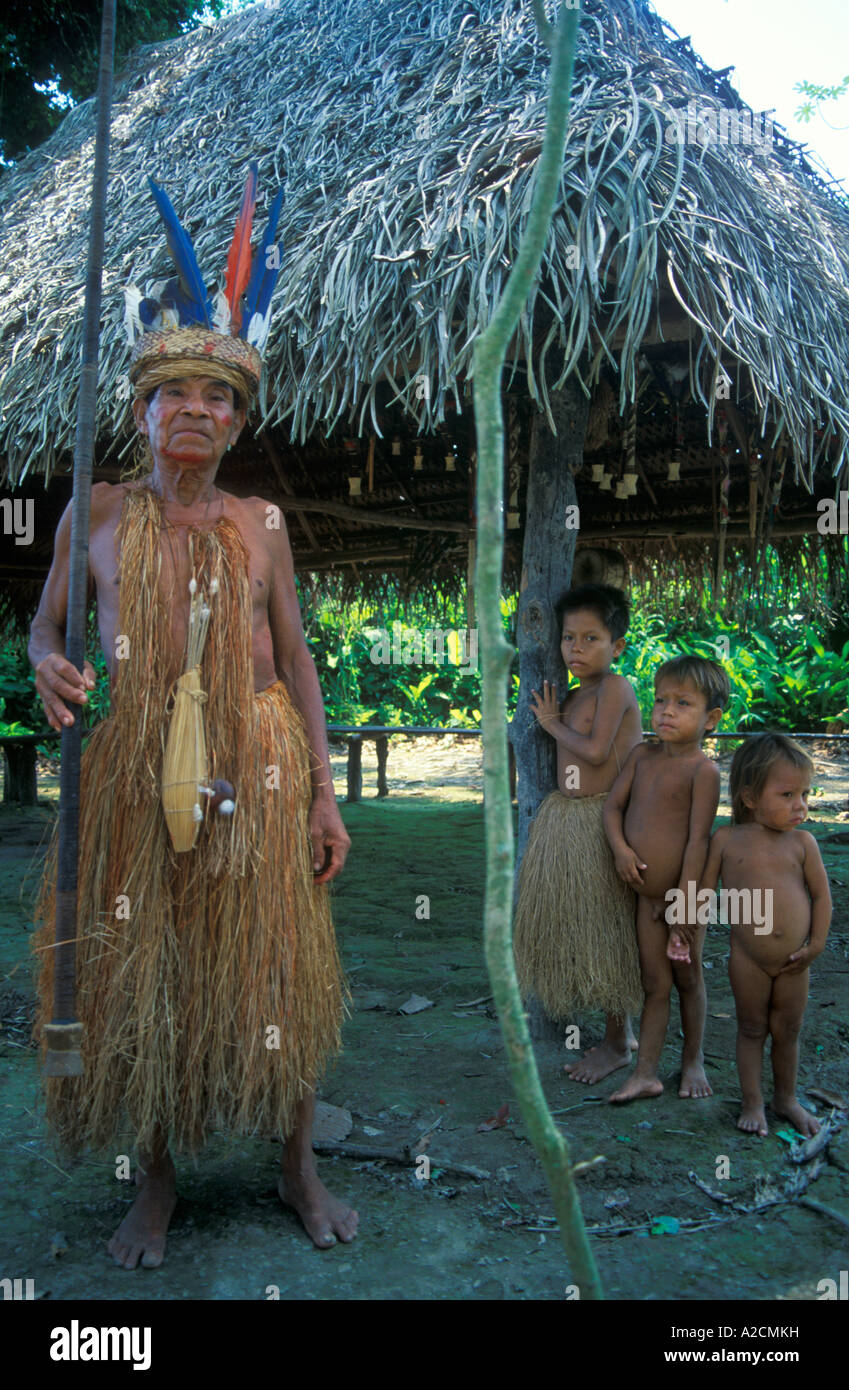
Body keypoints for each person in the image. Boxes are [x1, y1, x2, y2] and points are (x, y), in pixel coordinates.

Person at [29, 172, 356, 1269]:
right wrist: (46, 669)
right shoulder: (102, 512)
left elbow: (297, 657)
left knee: (277, 977)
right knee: (150, 974)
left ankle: (297, 1165)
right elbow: (45, 631)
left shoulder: (261, 521)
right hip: (137, 771)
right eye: (176, 394)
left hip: (257, 764)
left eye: (219, 398)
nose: (198, 411)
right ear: (141, 410)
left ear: (238, 418)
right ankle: (158, 1186)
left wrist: (320, 786)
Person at [513, 583, 644, 1083]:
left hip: (604, 818)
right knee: (584, 929)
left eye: (592, 639)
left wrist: (550, 722)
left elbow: (593, 751)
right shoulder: (570, 692)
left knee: (610, 931)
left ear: (618, 646)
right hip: (566, 819)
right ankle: (616, 1032)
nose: (576, 649)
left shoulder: (616, 688)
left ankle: (617, 1041)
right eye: (569, 638)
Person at [604, 655, 729, 1103]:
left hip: (684, 900)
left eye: (682, 703)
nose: (666, 711)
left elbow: (698, 843)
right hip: (645, 901)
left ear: (711, 719)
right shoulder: (642, 755)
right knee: (655, 985)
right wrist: (620, 849)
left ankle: (692, 1060)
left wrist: (687, 906)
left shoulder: (703, 771)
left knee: (689, 979)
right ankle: (646, 1074)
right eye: (660, 700)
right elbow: (612, 808)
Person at [699, 733, 831, 1137]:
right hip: (748, 958)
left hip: (796, 960)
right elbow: (704, 894)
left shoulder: (803, 844)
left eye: (805, 794)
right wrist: (680, 927)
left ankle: (785, 1098)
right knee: (752, 1029)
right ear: (751, 797)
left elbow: (822, 896)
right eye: (788, 794)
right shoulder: (726, 840)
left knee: (788, 1031)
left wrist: (816, 945)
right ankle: (753, 1100)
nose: (800, 805)